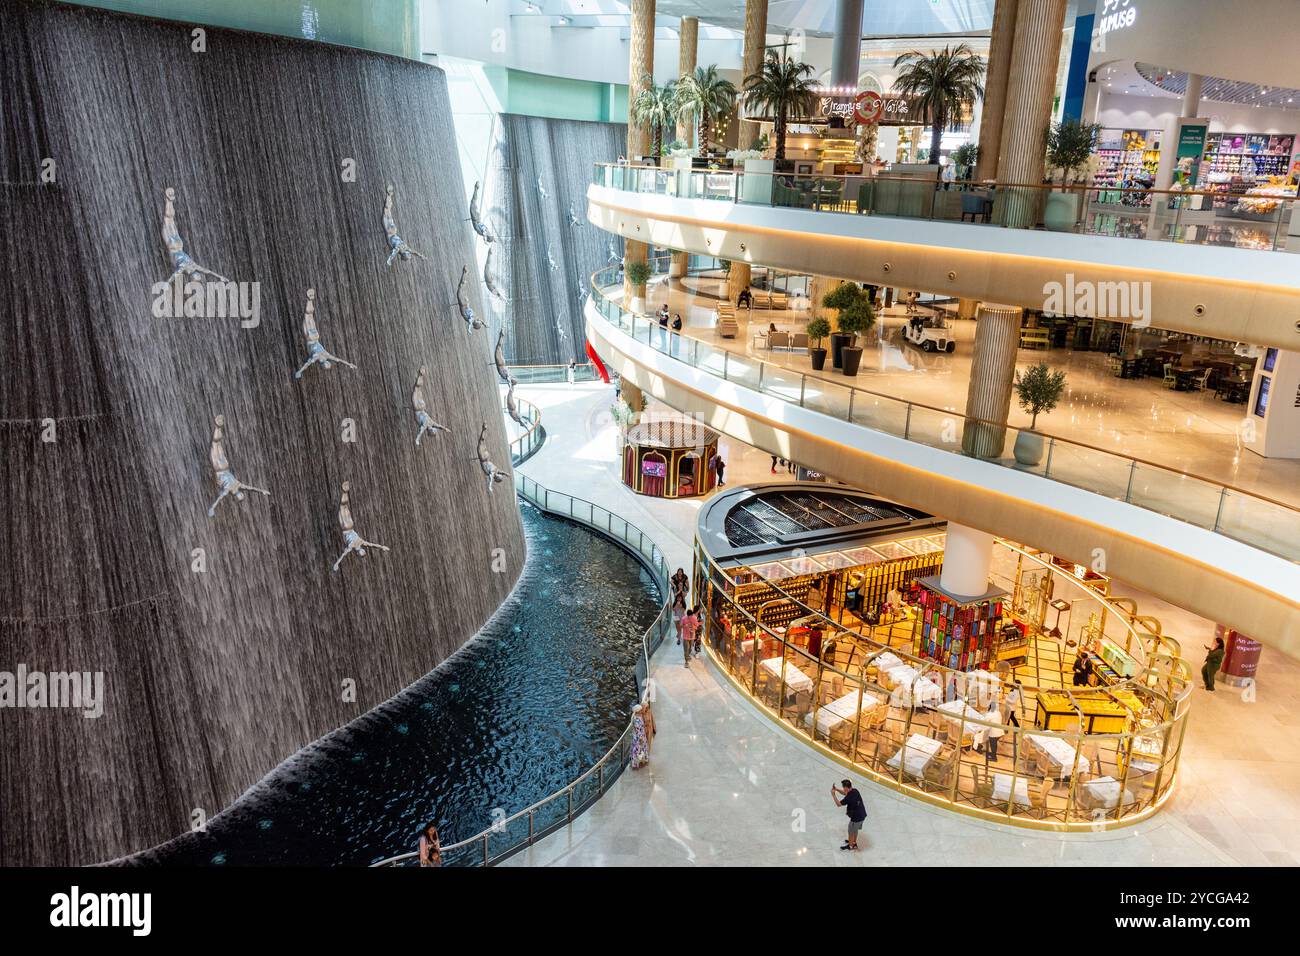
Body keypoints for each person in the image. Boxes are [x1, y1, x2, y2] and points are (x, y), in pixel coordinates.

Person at [831, 779, 867, 851]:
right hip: (862, 815)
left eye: (843, 787)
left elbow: (838, 804)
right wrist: (837, 789)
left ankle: (851, 846)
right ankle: (853, 841)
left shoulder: (848, 798)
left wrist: (833, 795)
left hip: (856, 818)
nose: (843, 789)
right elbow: (845, 793)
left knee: (851, 831)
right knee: (855, 830)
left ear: (846, 787)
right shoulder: (855, 791)